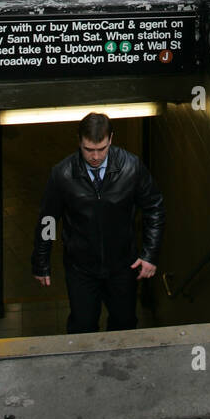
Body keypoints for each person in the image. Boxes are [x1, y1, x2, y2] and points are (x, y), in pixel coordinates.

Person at [31, 112, 165, 334]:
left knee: (124, 325)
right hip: (81, 267)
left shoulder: (131, 168)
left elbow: (154, 207)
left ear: (111, 139)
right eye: (88, 150)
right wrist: (41, 262)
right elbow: (48, 219)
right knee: (82, 327)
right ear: (79, 142)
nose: (95, 156)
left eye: (101, 149)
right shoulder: (63, 174)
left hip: (123, 265)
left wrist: (150, 255)